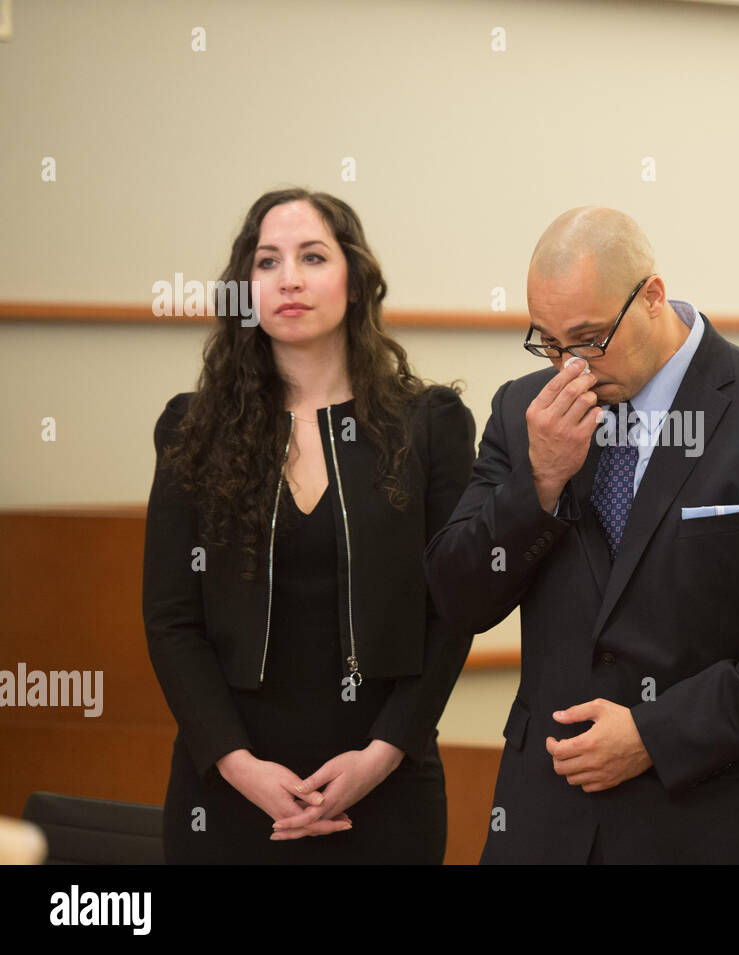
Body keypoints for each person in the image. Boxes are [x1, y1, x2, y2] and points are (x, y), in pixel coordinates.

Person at [425, 207, 739, 864]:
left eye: (588, 337)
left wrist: (655, 732)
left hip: (720, 816)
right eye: (547, 342)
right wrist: (538, 482)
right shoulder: (523, 410)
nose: (567, 366)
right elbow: (458, 595)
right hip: (549, 819)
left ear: (652, 296)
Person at [143, 188, 476, 863]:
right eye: (268, 261)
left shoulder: (431, 424)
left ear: (355, 282)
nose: (289, 277)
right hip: (230, 788)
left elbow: (452, 610)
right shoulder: (192, 427)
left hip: (386, 783)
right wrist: (240, 767)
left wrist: (378, 759)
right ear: (247, 289)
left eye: (313, 256)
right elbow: (171, 618)